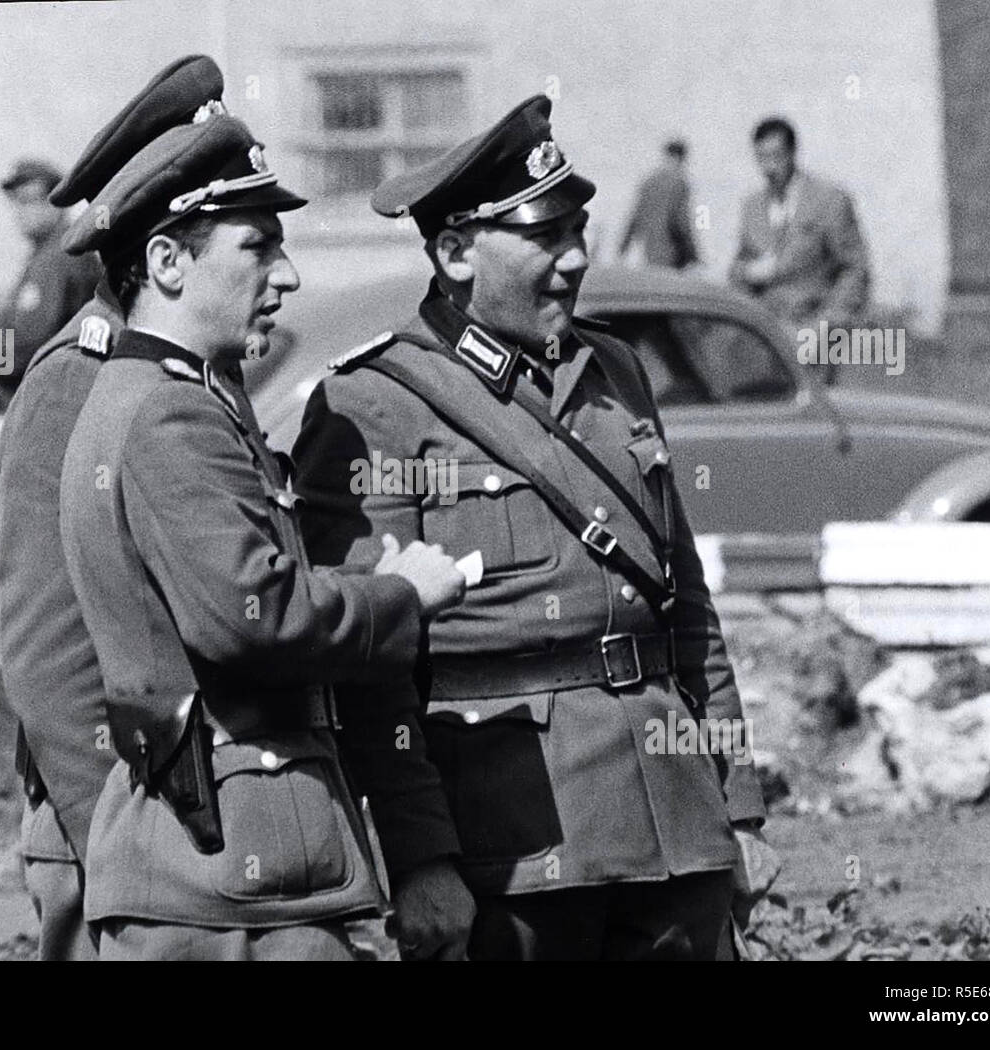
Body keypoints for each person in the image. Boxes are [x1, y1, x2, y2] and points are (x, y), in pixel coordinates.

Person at [293, 94, 780, 960]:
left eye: (578, 231)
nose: (576, 260)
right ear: (454, 253)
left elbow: (687, 609)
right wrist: (419, 859)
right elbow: (374, 674)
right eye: (544, 238)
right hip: (514, 848)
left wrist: (737, 804)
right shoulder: (376, 403)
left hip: (675, 826)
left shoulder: (616, 371)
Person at [55, 110, 472, 961]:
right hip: (230, 890)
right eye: (257, 248)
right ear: (166, 261)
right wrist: (401, 595)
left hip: (224, 875)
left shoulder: (168, 396)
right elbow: (253, 617)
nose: (285, 277)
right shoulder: (169, 413)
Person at [0, 55, 236, 961]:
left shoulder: (193, 369)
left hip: (191, 818)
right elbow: (49, 650)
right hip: (113, 822)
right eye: (235, 228)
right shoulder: (79, 378)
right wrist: (125, 845)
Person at [729, 116, 869, 383]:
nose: (769, 167)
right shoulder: (752, 207)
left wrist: (826, 328)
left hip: (815, 337)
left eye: (776, 156)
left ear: (793, 153)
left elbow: (856, 270)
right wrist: (748, 272)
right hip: (764, 342)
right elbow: (736, 271)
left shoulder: (829, 200)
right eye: (761, 158)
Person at [0, 159, 99, 417]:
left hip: (50, 400)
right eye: (16, 201)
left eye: (29, 200)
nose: (19, 211)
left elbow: (32, 336)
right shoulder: (51, 252)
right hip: (50, 395)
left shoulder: (59, 256)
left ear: (57, 202)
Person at [618, 139, 698, 269]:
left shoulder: (648, 182)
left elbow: (635, 217)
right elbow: (682, 222)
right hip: (674, 252)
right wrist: (693, 254)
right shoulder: (680, 183)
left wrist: (623, 248)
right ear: (680, 158)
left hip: (649, 251)